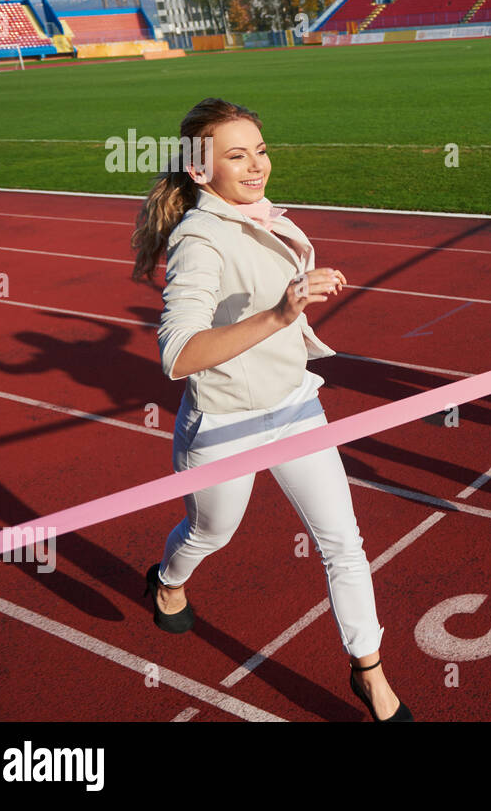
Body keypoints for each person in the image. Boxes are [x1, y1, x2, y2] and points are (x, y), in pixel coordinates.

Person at [130, 97, 411, 721]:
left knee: (344, 542)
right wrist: (282, 313)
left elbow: (269, 289)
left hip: (292, 405)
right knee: (210, 532)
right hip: (225, 422)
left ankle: (370, 672)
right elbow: (177, 355)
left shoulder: (263, 213)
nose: (257, 165)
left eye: (260, 150)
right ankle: (168, 581)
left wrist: (297, 300)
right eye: (237, 156)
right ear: (201, 171)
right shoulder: (199, 238)